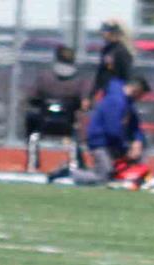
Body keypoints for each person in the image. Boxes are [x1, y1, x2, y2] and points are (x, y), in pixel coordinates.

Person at [50, 75, 145, 186]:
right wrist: (125, 150)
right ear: (136, 89)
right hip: (101, 142)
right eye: (141, 94)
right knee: (103, 176)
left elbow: (135, 125)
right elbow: (112, 131)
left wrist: (137, 141)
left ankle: (77, 173)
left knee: (108, 172)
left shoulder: (127, 102)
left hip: (112, 143)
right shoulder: (116, 100)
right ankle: (68, 173)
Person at [24, 45, 84, 175]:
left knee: (31, 121)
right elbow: (81, 103)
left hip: (44, 123)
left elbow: (33, 98)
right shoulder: (77, 81)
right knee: (76, 128)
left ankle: (32, 164)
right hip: (67, 125)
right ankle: (76, 165)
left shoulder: (44, 78)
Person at [92, 19, 132, 91]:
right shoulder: (106, 50)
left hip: (117, 91)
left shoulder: (122, 51)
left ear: (113, 33)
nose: (102, 33)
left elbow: (127, 75)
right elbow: (101, 74)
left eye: (105, 31)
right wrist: (91, 95)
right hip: (106, 89)